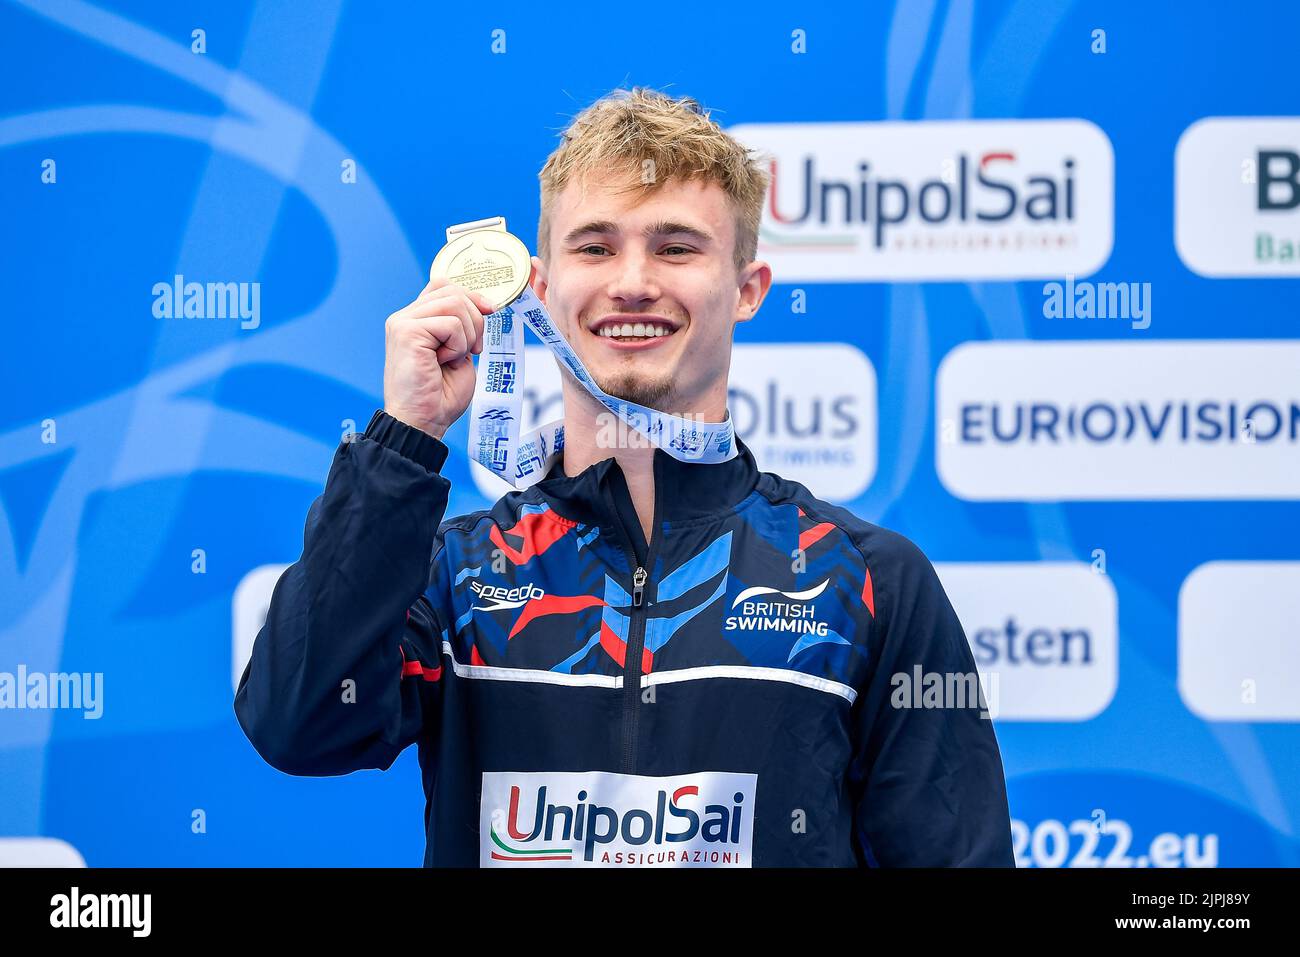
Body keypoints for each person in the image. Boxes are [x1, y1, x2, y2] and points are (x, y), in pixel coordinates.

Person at [234, 87, 1015, 867]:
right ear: (538, 288)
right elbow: (297, 722)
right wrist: (405, 435)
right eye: (595, 247)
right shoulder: (457, 576)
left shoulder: (868, 581)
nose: (633, 282)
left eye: (676, 247)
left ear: (747, 289)